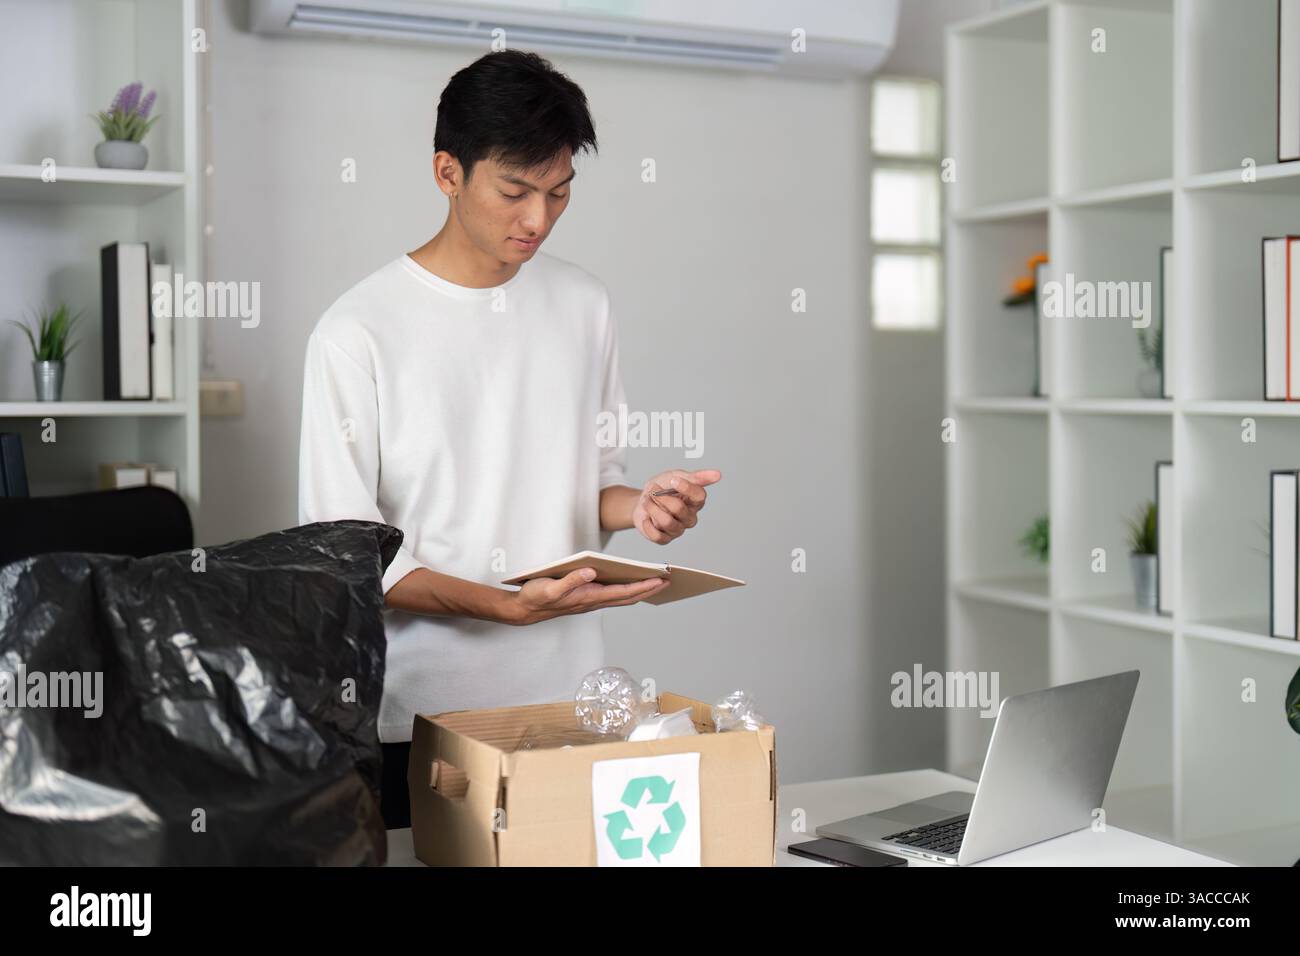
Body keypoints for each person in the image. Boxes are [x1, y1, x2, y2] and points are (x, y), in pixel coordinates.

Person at [298, 49, 721, 829]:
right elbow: (348, 556)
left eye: (559, 193)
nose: (538, 219)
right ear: (447, 172)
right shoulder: (356, 333)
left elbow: (589, 484)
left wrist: (645, 509)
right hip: (422, 719)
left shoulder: (583, 303)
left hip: (572, 703)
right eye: (515, 191)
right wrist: (500, 606)